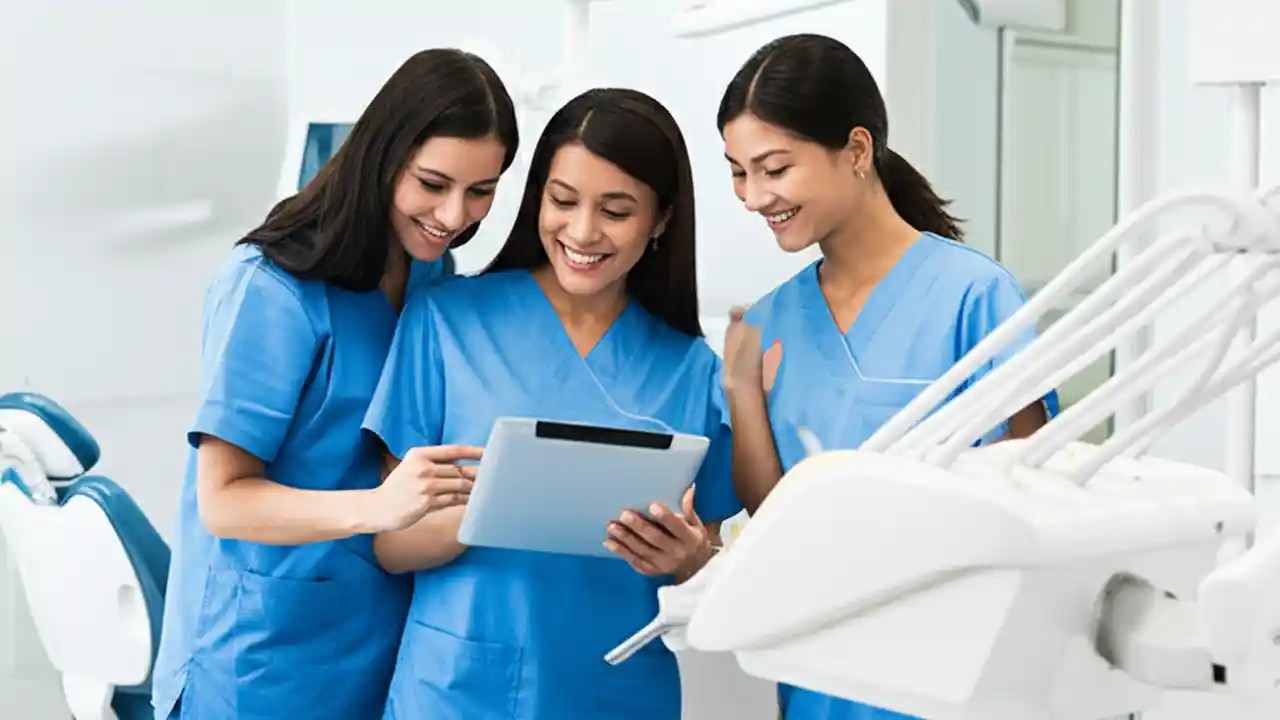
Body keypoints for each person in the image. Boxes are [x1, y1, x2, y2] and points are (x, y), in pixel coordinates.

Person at [150, 48, 519, 720]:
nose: (454, 213)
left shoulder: (432, 273)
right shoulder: (272, 286)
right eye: (431, 183)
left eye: (481, 190)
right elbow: (224, 500)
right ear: (383, 156)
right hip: (260, 648)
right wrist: (377, 506)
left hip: (375, 631)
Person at [361, 87, 740, 719]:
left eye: (616, 211)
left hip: (614, 691)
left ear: (662, 220)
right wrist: (498, 504)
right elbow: (388, 543)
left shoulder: (691, 370)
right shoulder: (446, 321)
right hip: (459, 689)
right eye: (562, 201)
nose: (583, 231)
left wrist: (691, 560)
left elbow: (709, 563)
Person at [717, 33, 1059, 720]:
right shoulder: (767, 321)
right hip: (817, 670)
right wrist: (740, 394)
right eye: (738, 171)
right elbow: (772, 513)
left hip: (952, 672)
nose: (753, 196)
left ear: (857, 150)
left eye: (773, 168)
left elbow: (1033, 490)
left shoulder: (974, 296)